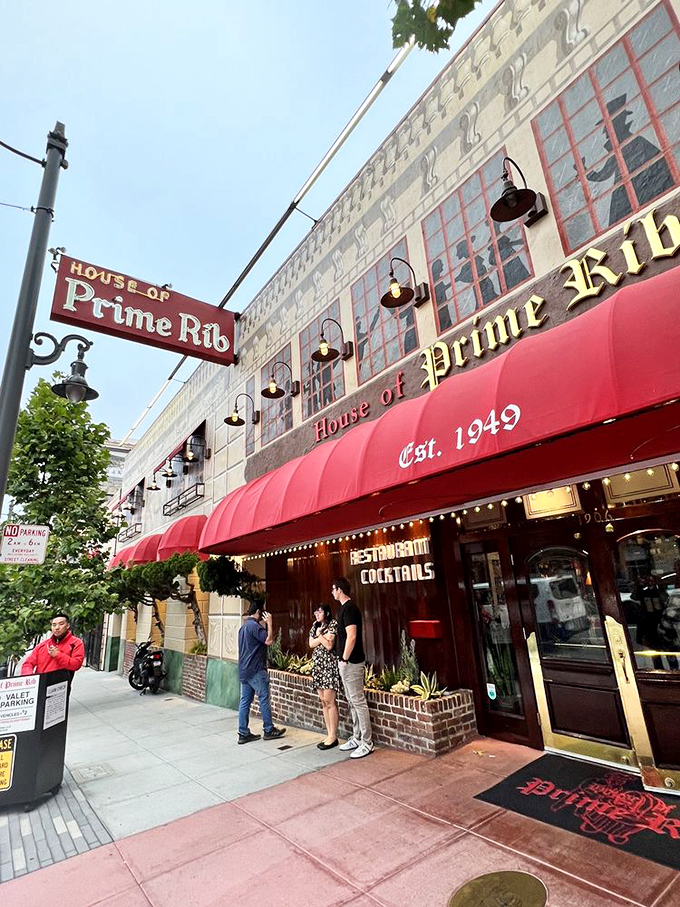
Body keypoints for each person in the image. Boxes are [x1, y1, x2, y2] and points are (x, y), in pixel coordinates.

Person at [332, 577, 374, 759]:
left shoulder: (349, 609)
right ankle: (357, 737)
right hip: (347, 663)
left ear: (339, 589)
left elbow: (352, 636)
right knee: (351, 701)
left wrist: (344, 658)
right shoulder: (344, 609)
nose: (332, 592)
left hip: (352, 663)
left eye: (333, 589)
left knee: (358, 701)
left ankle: (367, 742)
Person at [237, 602, 286, 744]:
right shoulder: (255, 627)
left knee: (245, 701)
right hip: (256, 669)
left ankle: (243, 733)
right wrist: (269, 623)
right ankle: (269, 730)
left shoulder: (243, 628)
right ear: (258, 612)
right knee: (264, 698)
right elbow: (269, 641)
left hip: (244, 670)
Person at [308, 604, 341, 750]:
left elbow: (329, 645)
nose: (317, 614)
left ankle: (333, 736)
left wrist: (320, 635)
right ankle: (328, 734)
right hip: (318, 667)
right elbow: (311, 643)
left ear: (326, 613)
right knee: (323, 701)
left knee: (330, 700)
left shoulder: (333, 624)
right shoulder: (315, 625)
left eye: (319, 611)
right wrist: (321, 637)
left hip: (329, 666)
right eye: (316, 611)